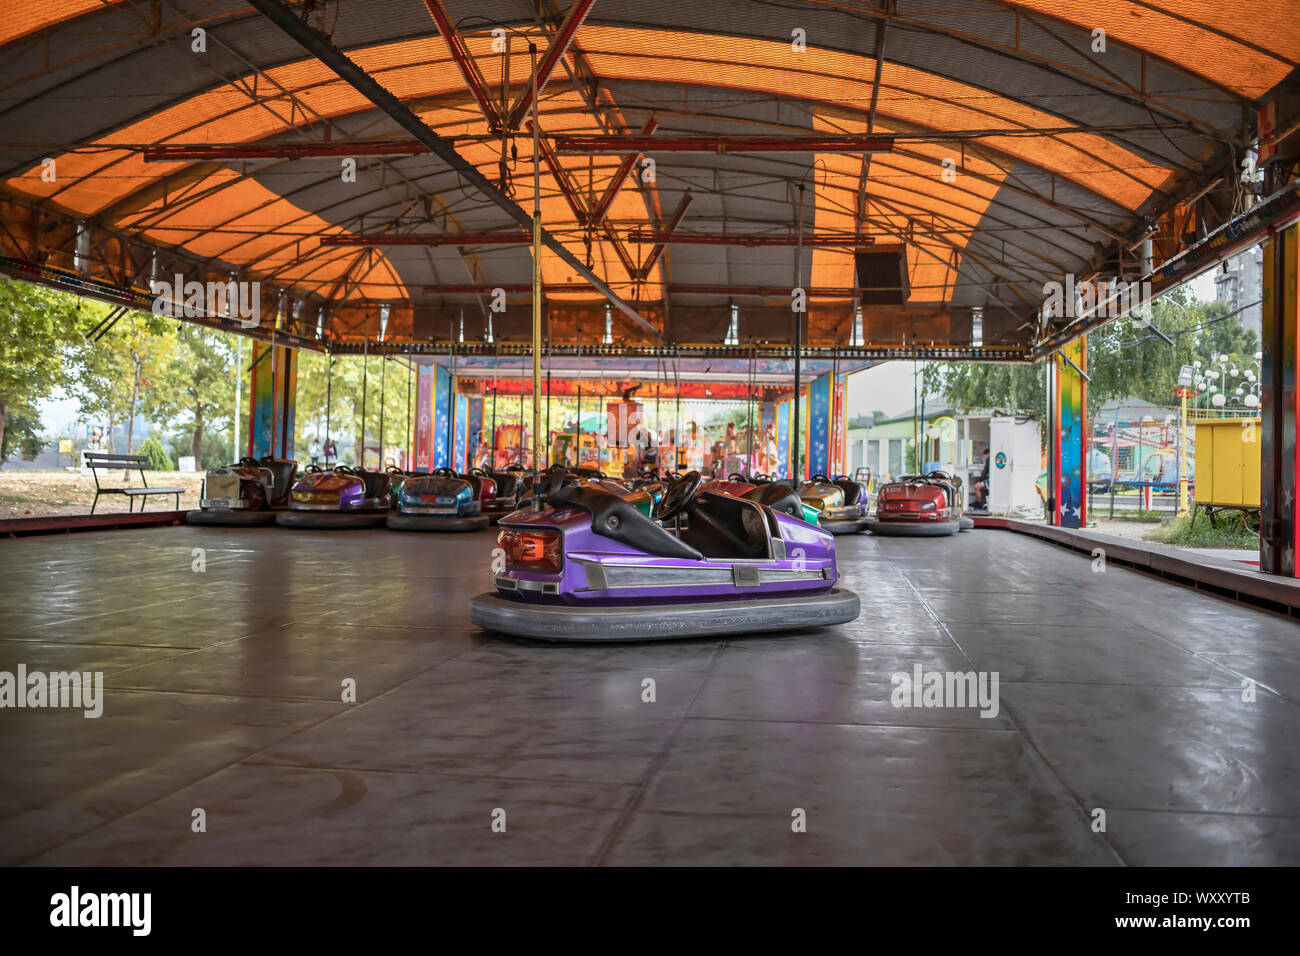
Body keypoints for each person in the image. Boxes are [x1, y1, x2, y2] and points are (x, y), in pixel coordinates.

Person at [974, 443, 990, 509]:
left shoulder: (989, 460)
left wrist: (980, 480)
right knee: (980, 487)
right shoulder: (989, 460)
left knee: (976, 486)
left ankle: (979, 503)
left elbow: (985, 472)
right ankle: (981, 502)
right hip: (988, 479)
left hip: (990, 481)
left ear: (987, 454)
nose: (984, 457)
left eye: (984, 456)